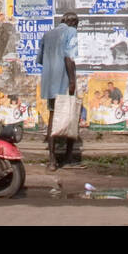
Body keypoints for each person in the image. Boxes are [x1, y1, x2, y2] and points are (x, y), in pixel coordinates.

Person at [38, 12, 80, 170]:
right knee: (71, 117)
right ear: (74, 23)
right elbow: (69, 58)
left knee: (52, 119)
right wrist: (72, 81)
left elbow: (41, 60)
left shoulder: (47, 34)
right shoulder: (71, 32)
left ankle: (52, 161)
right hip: (65, 82)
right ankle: (68, 158)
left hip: (50, 84)